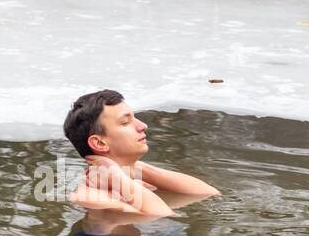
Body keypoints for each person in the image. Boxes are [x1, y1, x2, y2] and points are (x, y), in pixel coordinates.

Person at [61, 89, 220, 218]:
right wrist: (119, 180)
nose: (143, 125)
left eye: (135, 118)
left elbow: (209, 193)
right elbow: (163, 215)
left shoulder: (135, 183)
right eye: (125, 122)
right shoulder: (90, 197)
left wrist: (140, 169)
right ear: (100, 143)